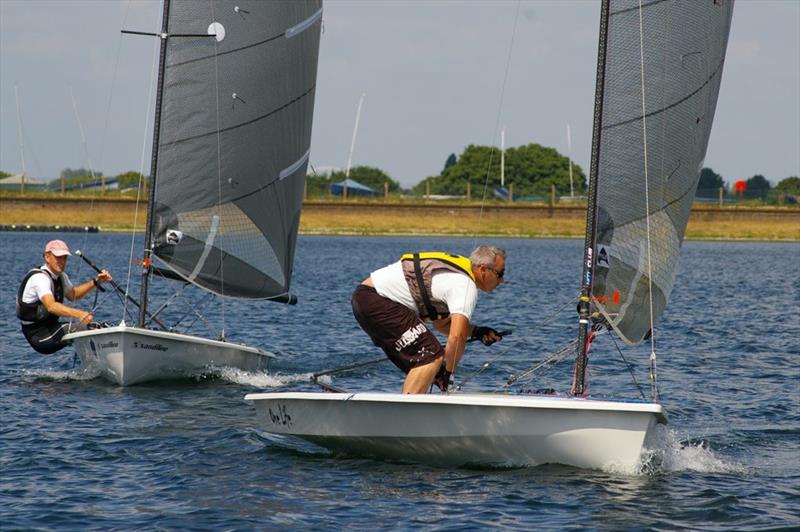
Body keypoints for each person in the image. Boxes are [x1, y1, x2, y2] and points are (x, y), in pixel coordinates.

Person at [351, 245, 506, 394]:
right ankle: (408, 412)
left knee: (428, 358)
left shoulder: (454, 277)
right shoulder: (465, 286)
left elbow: (442, 324)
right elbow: (456, 337)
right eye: (500, 274)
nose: (502, 281)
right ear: (484, 269)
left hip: (365, 300)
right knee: (431, 355)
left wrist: (478, 332)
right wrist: (448, 372)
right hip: (377, 300)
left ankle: (411, 406)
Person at [16, 239, 112, 354]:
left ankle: (99, 359)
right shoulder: (40, 278)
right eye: (58, 257)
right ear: (47, 257)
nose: (62, 261)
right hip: (38, 335)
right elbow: (51, 306)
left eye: (64, 258)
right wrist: (79, 314)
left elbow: (73, 295)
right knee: (93, 328)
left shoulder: (61, 277)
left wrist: (97, 281)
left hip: (52, 328)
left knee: (100, 327)